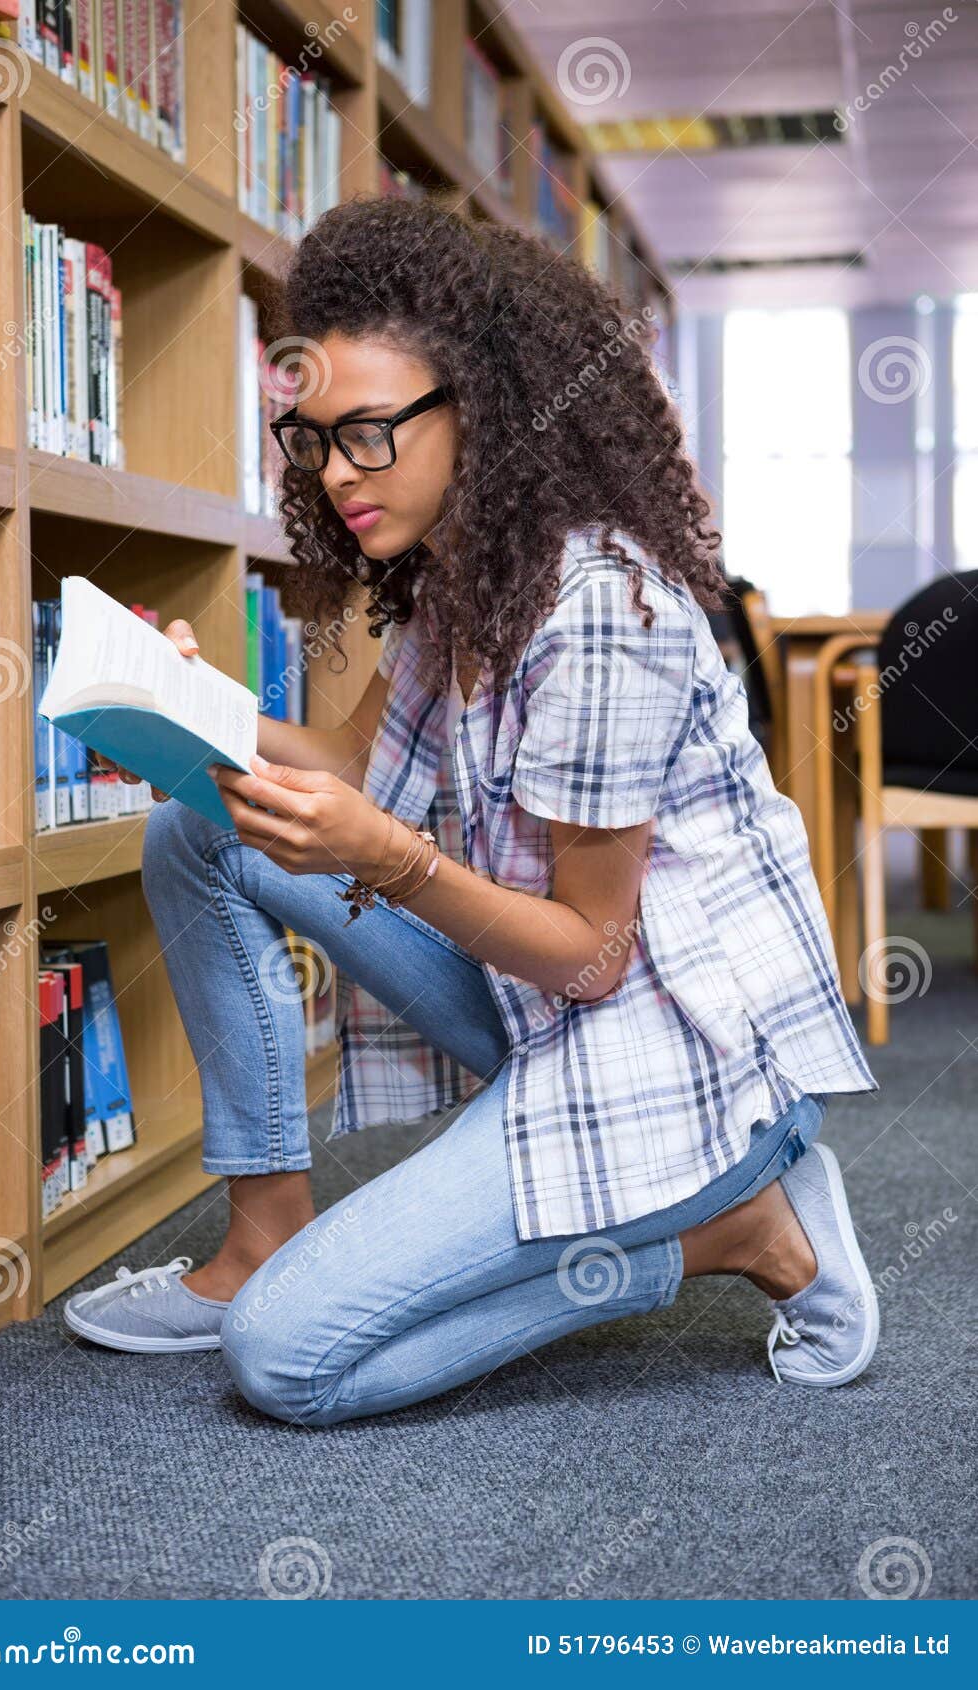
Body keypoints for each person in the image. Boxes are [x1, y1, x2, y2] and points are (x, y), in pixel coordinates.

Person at [64, 196, 880, 1422]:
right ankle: (259, 1237)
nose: (338, 473)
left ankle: (736, 1228)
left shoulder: (599, 609)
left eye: (371, 434)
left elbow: (596, 956)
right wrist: (187, 700)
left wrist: (391, 861)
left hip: (673, 1049)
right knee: (201, 825)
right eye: (314, 440)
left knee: (288, 1364)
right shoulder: (467, 577)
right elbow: (348, 761)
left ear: (482, 411)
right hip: (543, 1000)